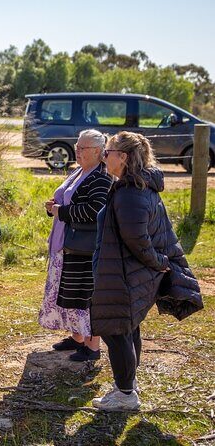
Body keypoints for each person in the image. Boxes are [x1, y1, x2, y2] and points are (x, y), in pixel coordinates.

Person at [90, 131, 203, 411]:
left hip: (125, 274)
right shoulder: (136, 187)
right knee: (128, 328)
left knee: (116, 330)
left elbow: (139, 241)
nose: (104, 157)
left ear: (123, 157)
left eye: (108, 152)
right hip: (127, 272)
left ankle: (126, 394)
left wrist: (159, 262)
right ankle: (127, 385)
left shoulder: (129, 193)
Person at [38, 129, 112, 361]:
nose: (77, 151)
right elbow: (68, 201)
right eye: (77, 146)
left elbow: (95, 210)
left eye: (83, 148)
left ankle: (92, 348)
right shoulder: (80, 171)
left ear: (98, 152)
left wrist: (62, 211)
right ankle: (77, 338)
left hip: (85, 247)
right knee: (70, 294)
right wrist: (54, 207)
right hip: (68, 243)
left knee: (84, 296)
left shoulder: (101, 176)